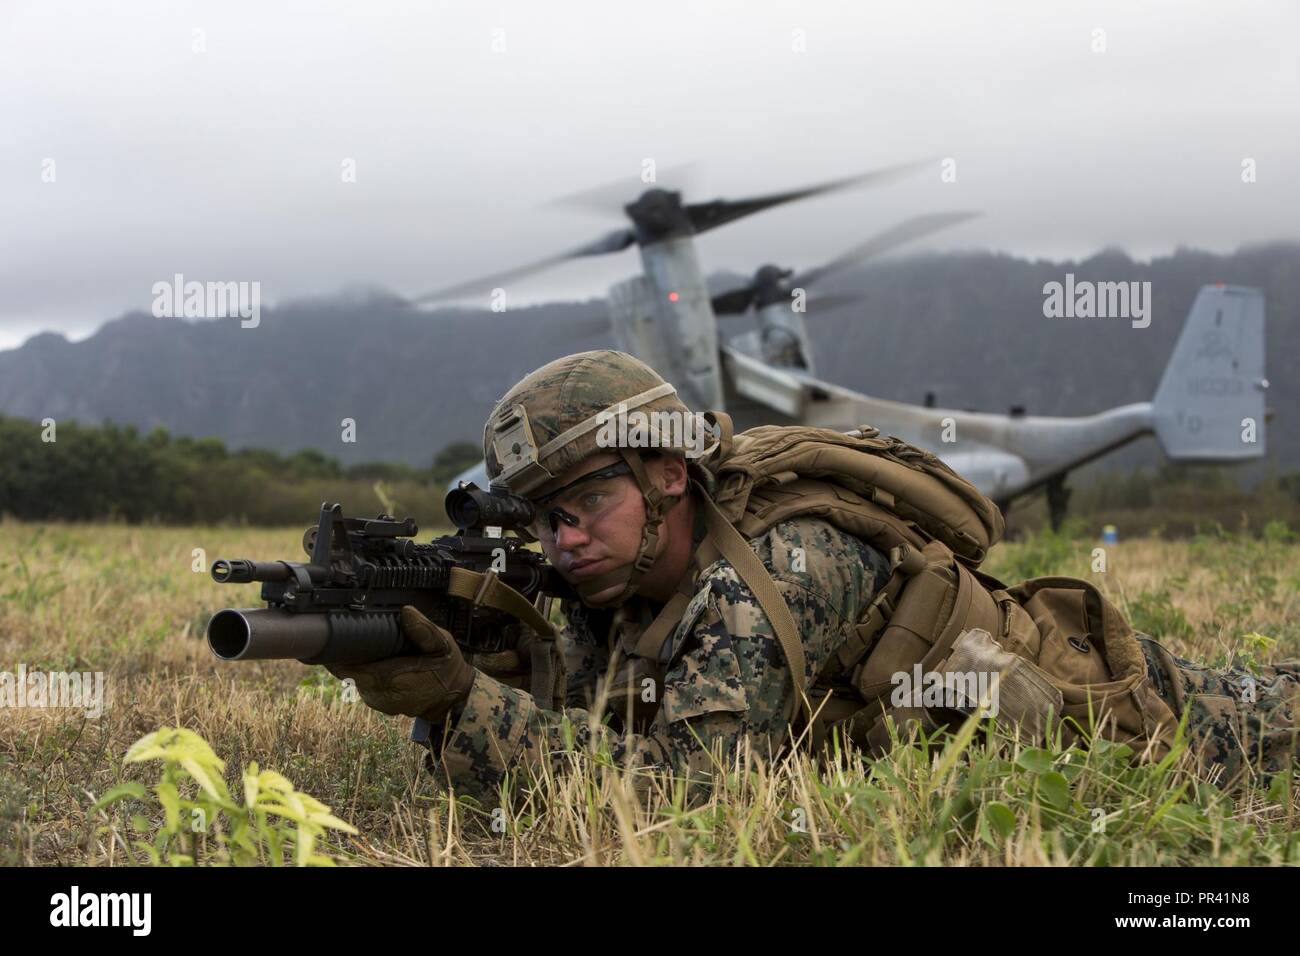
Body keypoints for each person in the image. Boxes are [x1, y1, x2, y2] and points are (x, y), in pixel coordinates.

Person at [327, 351, 1299, 803]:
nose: (560, 536)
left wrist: (465, 704)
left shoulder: (780, 567)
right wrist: (492, 662)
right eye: (540, 516)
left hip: (1113, 713)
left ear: (669, 473)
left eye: (577, 503)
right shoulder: (620, 580)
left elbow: (678, 796)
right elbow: (598, 715)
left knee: (1270, 718)